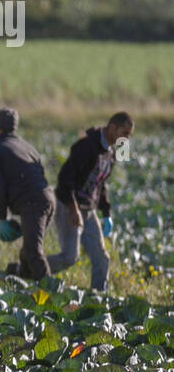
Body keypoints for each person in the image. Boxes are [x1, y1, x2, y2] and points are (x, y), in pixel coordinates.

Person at [47, 112, 133, 292]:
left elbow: (100, 185)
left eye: (129, 135)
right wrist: (72, 208)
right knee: (69, 257)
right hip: (68, 206)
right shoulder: (86, 146)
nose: (126, 138)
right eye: (124, 133)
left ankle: (99, 300)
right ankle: (28, 268)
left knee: (102, 258)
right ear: (112, 128)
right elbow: (65, 179)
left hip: (88, 210)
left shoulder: (110, 153)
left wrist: (107, 213)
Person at [0, 107, 56, 279]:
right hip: (47, 198)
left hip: (32, 203)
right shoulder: (28, 147)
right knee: (27, 252)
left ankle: (53, 294)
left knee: (33, 252)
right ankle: (18, 280)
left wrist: (1, 217)